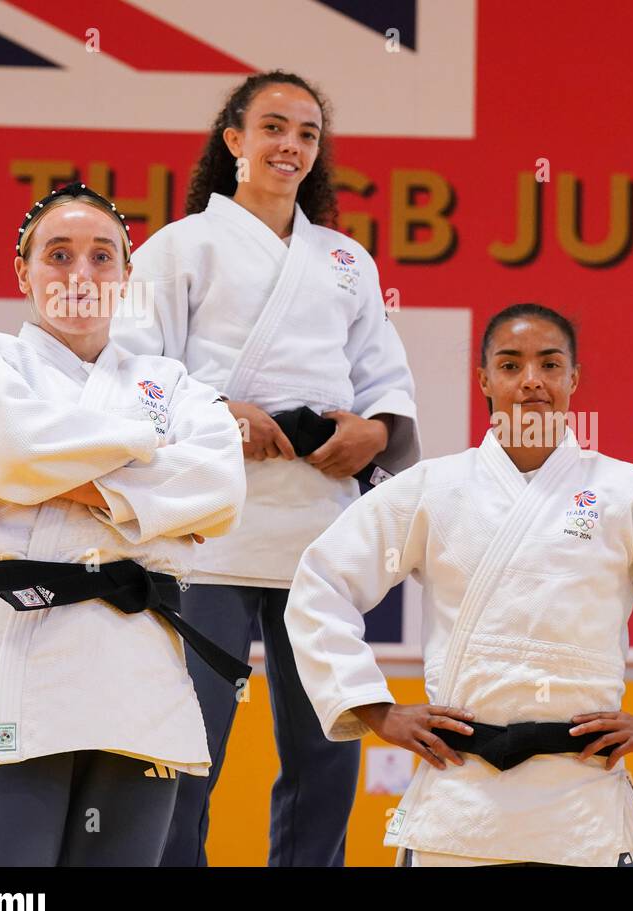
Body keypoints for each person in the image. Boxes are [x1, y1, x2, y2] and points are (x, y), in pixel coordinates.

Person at [284, 304, 633, 866]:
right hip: (458, 808)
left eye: (549, 364)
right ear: (484, 380)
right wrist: (375, 708)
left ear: (573, 379)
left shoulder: (626, 493)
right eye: (510, 365)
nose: (531, 380)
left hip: (584, 808)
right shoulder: (434, 488)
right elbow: (321, 583)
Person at [112, 71, 420, 867]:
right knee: (191, 740)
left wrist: (378, 432)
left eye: (308, 134)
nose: (291, 146)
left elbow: (383, 377)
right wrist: (217, 417)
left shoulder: (347, 261)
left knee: (328, 741)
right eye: (274, 128)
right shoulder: (178, 247)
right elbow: (136, 375)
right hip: (209, 527)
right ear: (235, 141)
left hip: (317, 525)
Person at [0, 183, 247, 865]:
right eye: (59, 254)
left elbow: (220, 489)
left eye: (103, 257)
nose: (81, 275)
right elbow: (11, 446)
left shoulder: (173, 383)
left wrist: (43, 478)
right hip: (15, 653)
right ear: (24, 271)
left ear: (127, 278)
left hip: (141, 670)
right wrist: (148, 458)